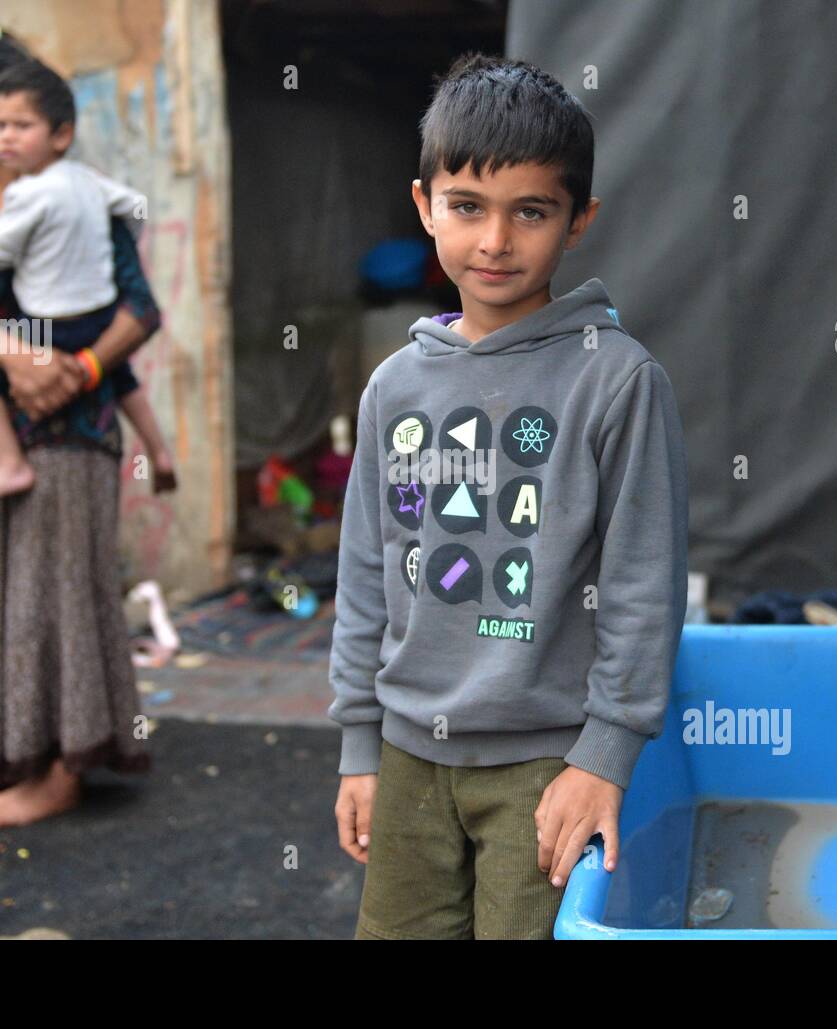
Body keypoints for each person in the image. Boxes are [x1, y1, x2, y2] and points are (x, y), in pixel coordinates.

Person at [328, 52, 689, 939]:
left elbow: (645, 584)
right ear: (424, 206)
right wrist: (358, 746)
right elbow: (367, 572)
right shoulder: (392, 389)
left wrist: (605, 755)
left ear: (578, 222)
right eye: (467, 208)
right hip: (407, 756)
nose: (495, 241)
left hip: (546, 763)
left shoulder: (618, 382)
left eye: (530, 211)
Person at [0, 37, 159, 831]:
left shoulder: (76, 198)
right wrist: (23, 363)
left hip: (74, 431)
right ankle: (2, 750)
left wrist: (78, 372)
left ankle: (63, 768)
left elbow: (139, 309)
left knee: (55, 600)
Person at [0, 58, 176, 505]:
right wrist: (109, 243)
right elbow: (134, 208)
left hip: (47, 327)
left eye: (21, 126)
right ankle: (159, 450)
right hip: (99, 317)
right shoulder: (89, 181)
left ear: (61, 135)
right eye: (0, 126)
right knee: (121, 373)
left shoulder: (25, 193)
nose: (6, 137)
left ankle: (9, 462)